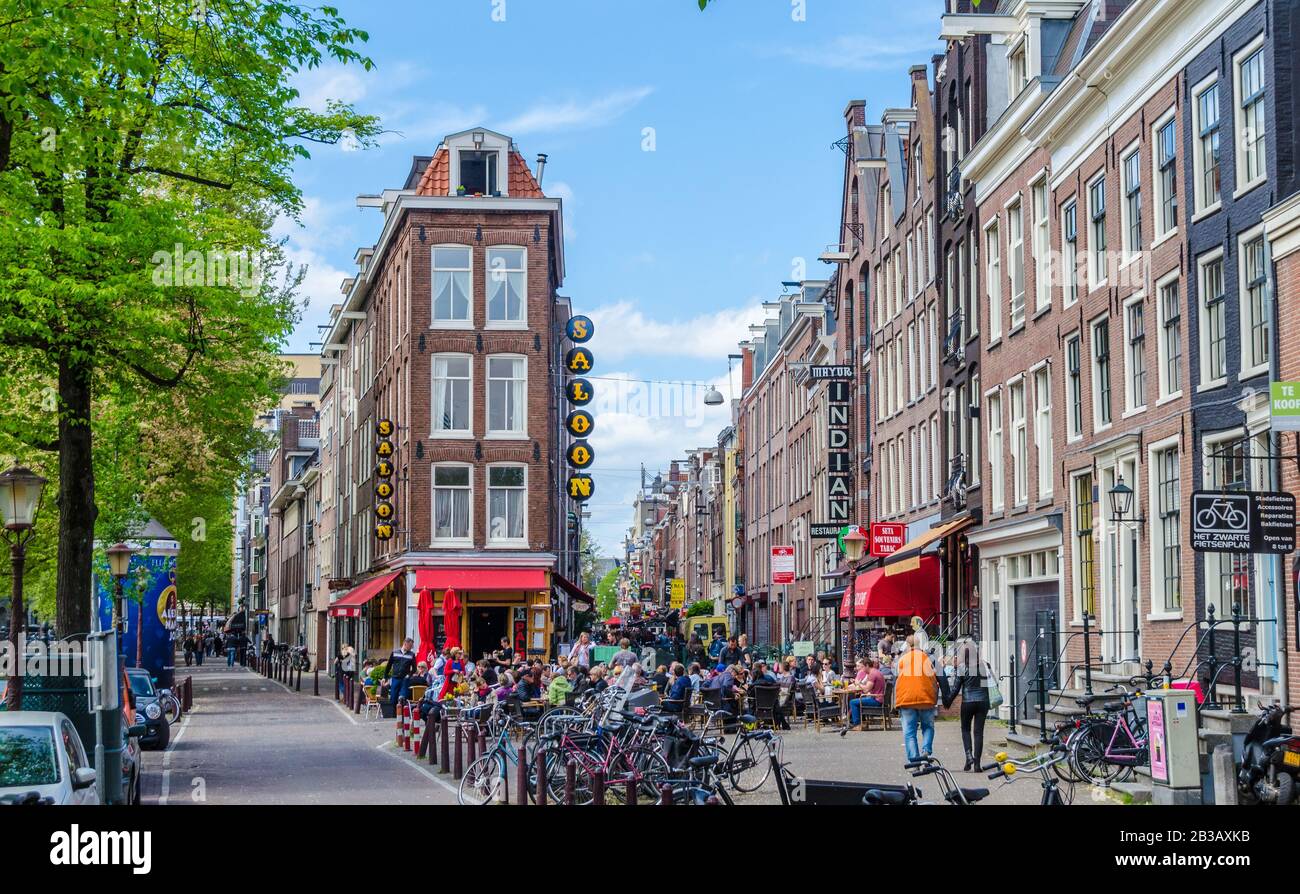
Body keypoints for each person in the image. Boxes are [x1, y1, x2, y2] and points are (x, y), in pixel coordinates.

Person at [942, 637, 991, 771]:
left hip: (968, 702)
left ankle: (969, 756)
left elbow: (956, 688)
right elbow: (990, 684)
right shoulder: (985, 665)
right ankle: (977, 764)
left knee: (965, 729)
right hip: (983, 702)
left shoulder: (962, 668)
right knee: (978, 732)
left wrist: (947, 702)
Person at [894, 635, 938, 761]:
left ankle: (914, 761)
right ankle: (926, 750)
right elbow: (933, 675)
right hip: (926, 698)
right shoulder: (927, 658)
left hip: (906, 699)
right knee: (928, 727)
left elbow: (897, 676)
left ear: (907, 646)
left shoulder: (902, 659)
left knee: (909, 732)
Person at [848, 657, 887, 727]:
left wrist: (858, 684)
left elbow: (866, 690)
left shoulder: (872, 674)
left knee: (853, 702)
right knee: (857, 701)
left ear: (867, 666)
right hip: (879, 699)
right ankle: (861, 722)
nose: (862, 670)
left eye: (863, 667)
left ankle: (857, 725)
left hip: (876, 700)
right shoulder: (876, 671)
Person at [386, 638, 417, 711]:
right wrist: (385, 677)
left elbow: (414, 668)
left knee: (403, 696)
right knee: (393, 696)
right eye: (410, 646)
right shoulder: (395, 652)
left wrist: (409, 675)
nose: (411, 648)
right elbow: (389, 665)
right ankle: (394, 712)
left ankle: (402, 712)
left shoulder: (411, 654)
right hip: (395, 678)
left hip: (405, 679)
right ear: (405, 644)